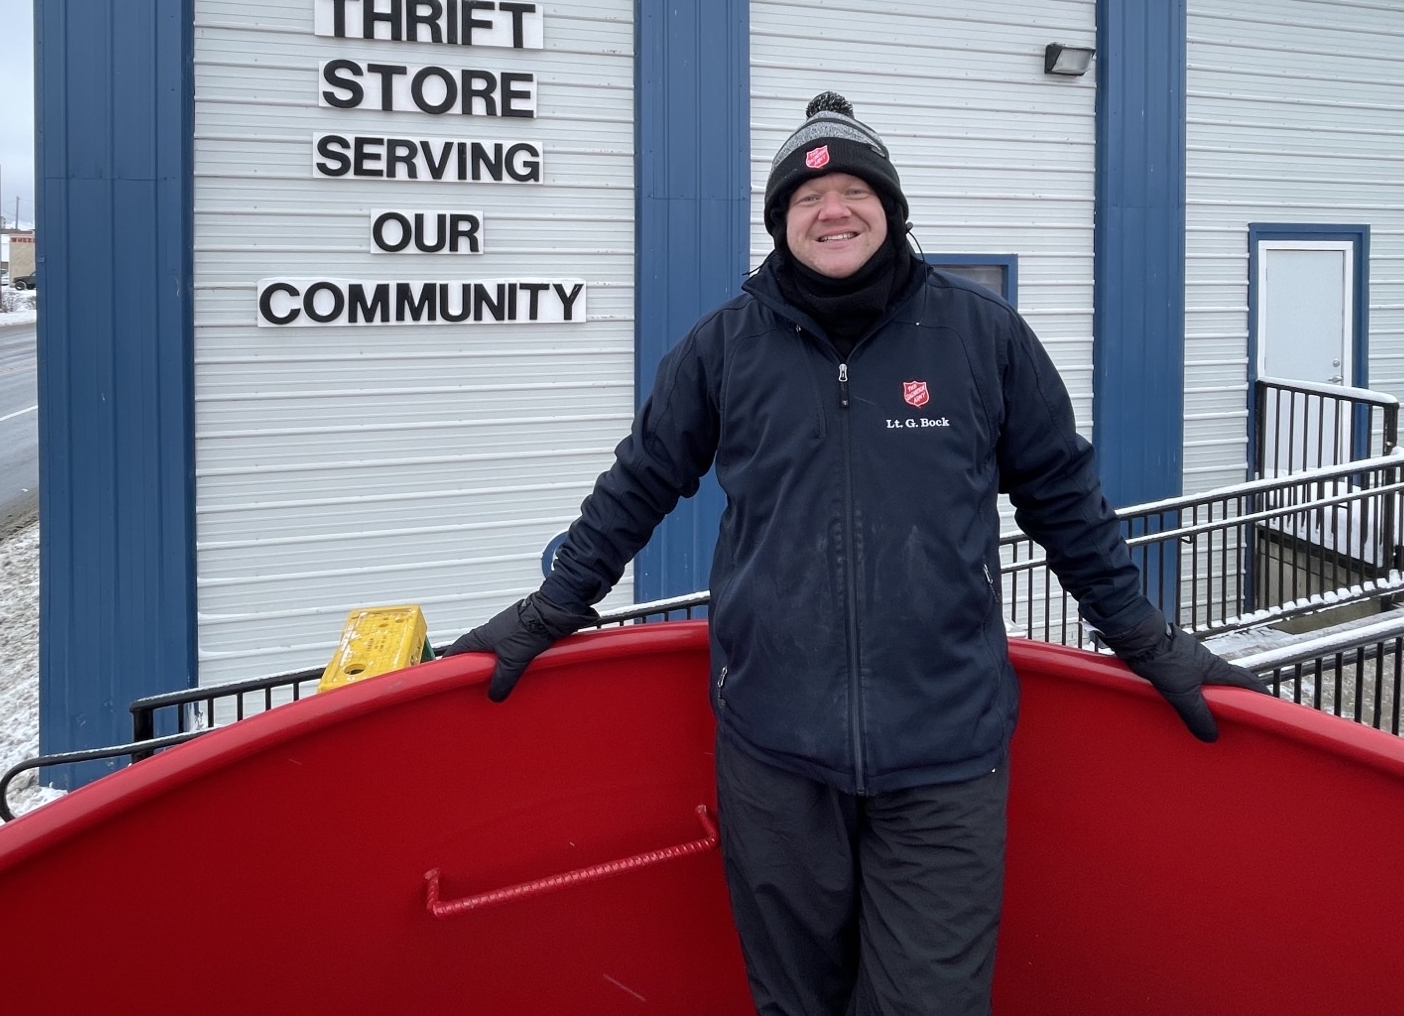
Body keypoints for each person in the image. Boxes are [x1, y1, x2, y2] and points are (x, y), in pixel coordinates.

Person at [448, 92, 1266, 1016]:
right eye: (806, 198)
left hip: (947, 753)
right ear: (779, 223)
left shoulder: (981, 337)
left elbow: (1065, 504)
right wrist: (551, 609)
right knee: (796, 1004)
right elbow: (638, 487)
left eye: (852, 189)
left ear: (891, 206)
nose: (831, 209)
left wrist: (1147, 640)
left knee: (930, 1004)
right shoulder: (724, 348)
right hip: (774, 750)